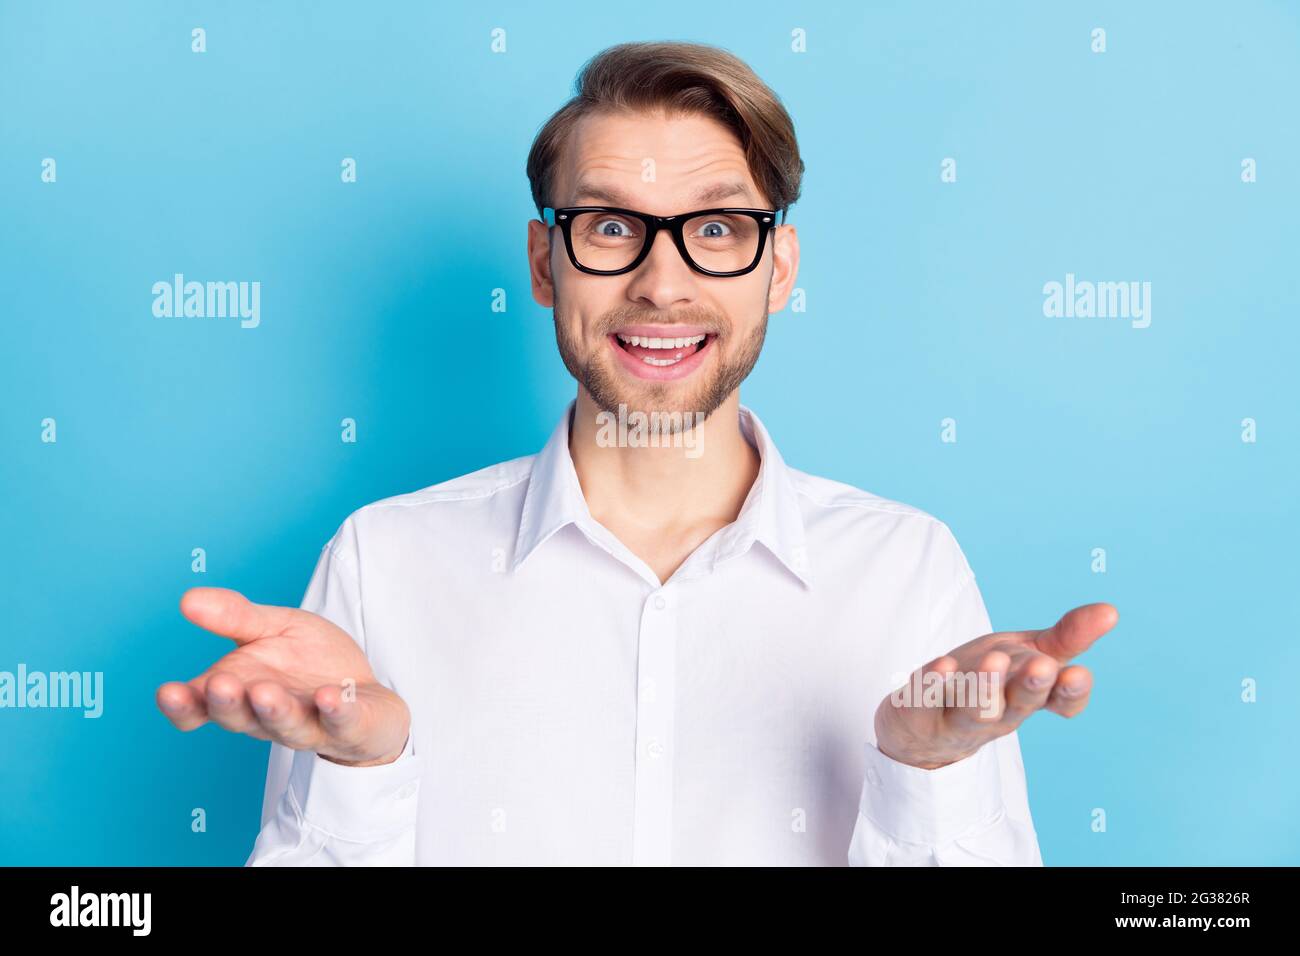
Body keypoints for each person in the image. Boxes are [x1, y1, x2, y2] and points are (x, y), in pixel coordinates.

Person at [156, 40, 1116, 866]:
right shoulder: (383, 562)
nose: (663, 284)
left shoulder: (907, 570)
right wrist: (356, 773)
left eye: (717, 229)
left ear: (777, 270)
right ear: (545, 263)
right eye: (610, 226)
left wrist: (926, 773)